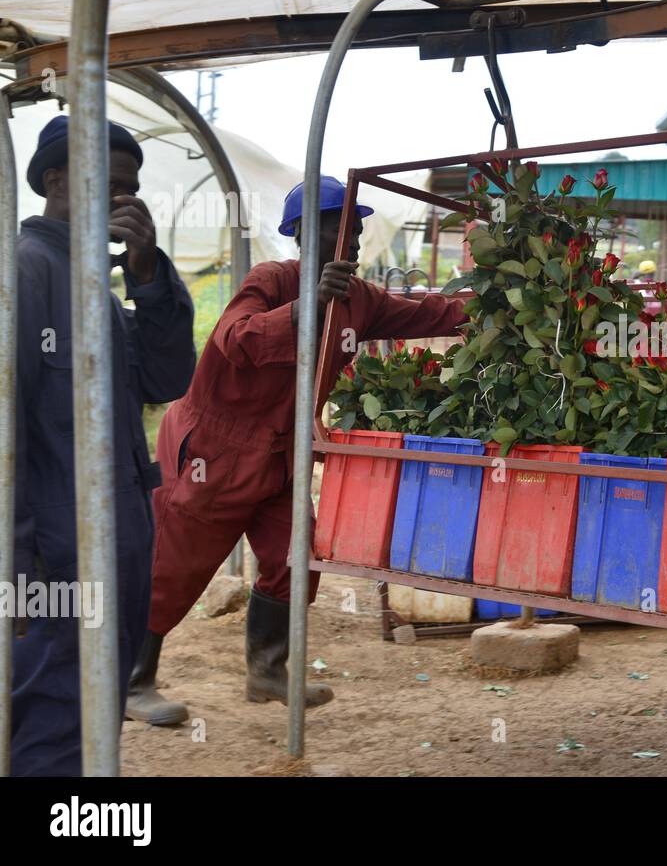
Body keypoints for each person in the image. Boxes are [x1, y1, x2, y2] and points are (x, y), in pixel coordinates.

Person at [126, 176, 468, 724]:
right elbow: (234, 338)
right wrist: (306, 304)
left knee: (296, 557)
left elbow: (426, 313)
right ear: (305, 234)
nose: (352, 238)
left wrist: (485, 305)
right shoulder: (271, 280)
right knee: (172, 567)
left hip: (281, 453)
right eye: (339, 227)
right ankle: (131, 681)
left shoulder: (360, 299)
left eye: (357, 227)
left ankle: (267, 670)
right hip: (213, 449)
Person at [10, 115, 196, 775]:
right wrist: (17, 564)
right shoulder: (27, 273)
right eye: (108, 185)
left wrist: (147, 274)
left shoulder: (100, 288)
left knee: (94, 713)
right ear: (57, 182)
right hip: (57, 558)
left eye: (132, 188)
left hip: (118, 542)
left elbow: (169, 377)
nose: (125, 201)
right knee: (55, 722)